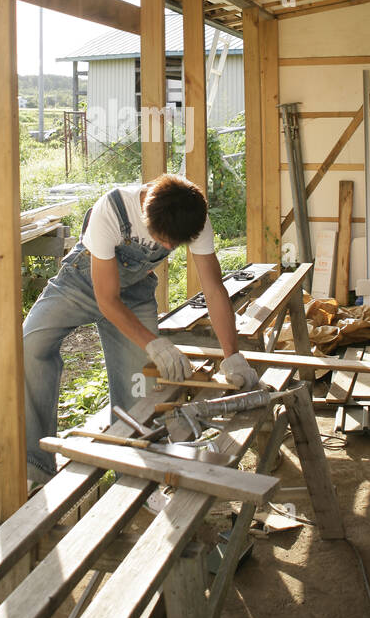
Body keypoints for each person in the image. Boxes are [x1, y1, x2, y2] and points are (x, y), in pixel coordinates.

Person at [23, 172, 259, 490]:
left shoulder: (194, 216)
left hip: (134, 293)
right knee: (28, 347)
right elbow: (106, 300)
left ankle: (134, 479)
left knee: (139, 391)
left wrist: (232, 356)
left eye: (172, 243)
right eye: (160, 237)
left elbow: (214, 289)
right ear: (145, 210)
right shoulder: (112, 209)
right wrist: (154, 343)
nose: (165, 246)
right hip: (81, 284)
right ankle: (34, 470)